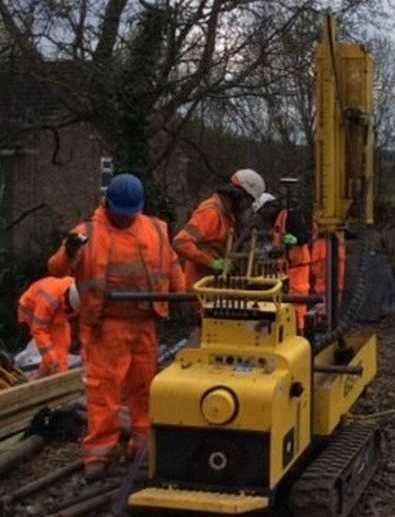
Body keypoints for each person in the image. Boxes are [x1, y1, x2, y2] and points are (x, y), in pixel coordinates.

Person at [48, 173, 185, 479]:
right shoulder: (86, 234)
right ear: (107, 204)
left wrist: (184, 297)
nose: (125, 220)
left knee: (145, 387)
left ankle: (142, 443)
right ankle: (99, 452)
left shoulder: (154, 229)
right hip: (106, 325)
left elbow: (173, 265)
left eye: (130, 215)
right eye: (120, 214)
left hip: (144, 322)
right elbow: (57, 268)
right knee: (103, 391)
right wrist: (69, 252)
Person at [172, 169, 266, 289]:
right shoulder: (210, 213)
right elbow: (181, 242)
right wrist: (211, 263)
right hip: (199, 289)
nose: (247, 207)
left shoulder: (227, 215)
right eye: (248, 201)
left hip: (212, 287)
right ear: (238, 195)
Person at [253, 193, 312, 328]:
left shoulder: (290, 215)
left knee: (298, 300)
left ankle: (300, 329)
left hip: (298, 265)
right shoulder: (278, 221)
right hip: (287, 267)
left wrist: (295, 239)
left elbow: (306, 235)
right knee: (286, 301)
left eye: (263, 212)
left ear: (270, 206)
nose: (263, 216)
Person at [17, 276, 78, 377]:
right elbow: (38, 329)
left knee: (63, 345)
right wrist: (51, 359)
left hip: (56, 313)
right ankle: (54, 378)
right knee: (52, 355)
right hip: (32, 310)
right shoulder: (48, 299)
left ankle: (49, 377)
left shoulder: (79, 290)